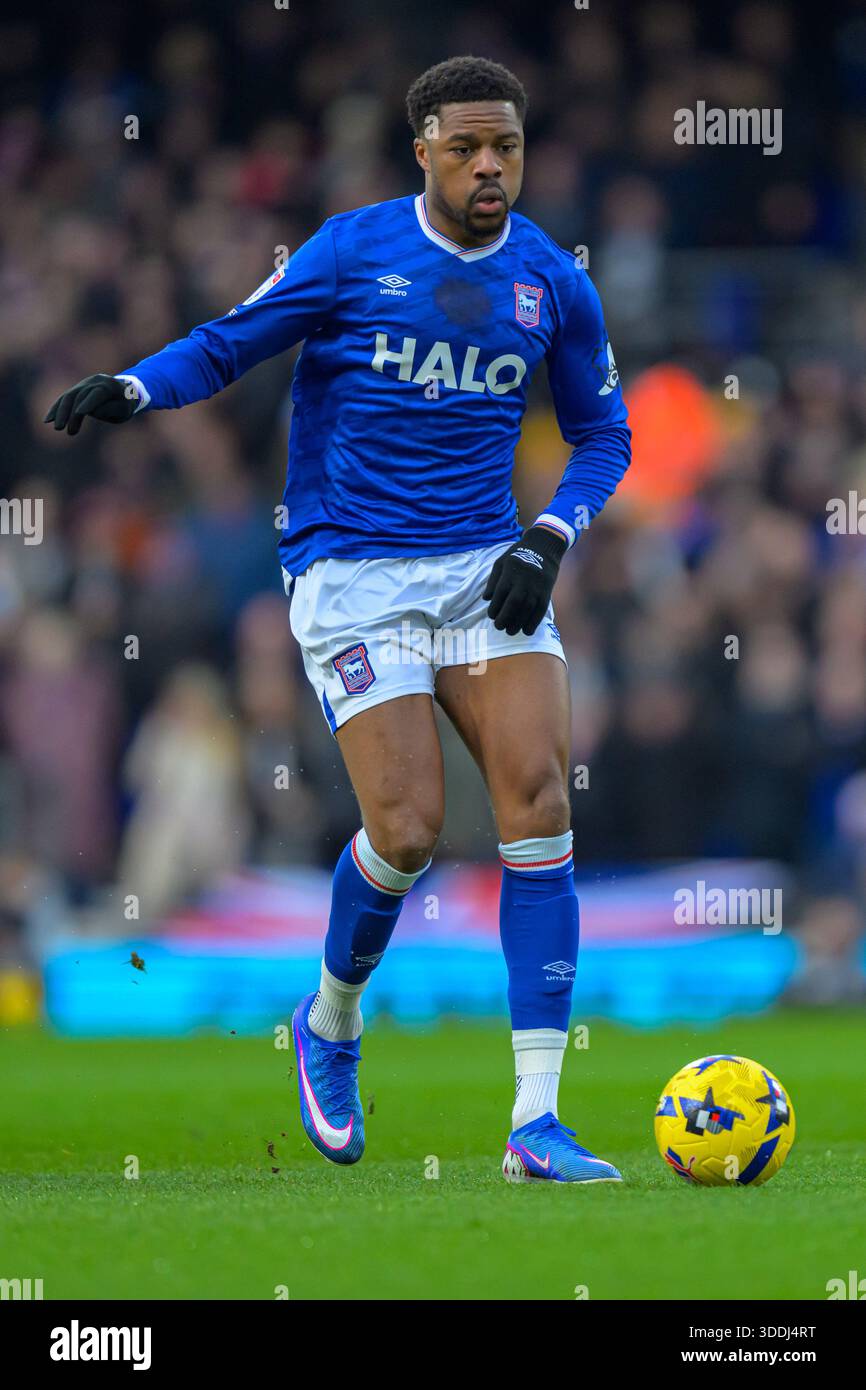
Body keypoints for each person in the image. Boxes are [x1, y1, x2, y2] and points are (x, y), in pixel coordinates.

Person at [46, 55, 631, 1183]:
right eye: (464, 147)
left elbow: (600, 433)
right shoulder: (352, 250)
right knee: (407, 830)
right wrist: (132, 386)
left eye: (504, 146)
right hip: (352, 570)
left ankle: (535, 1123)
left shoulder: (552, 281)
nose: (488, 166)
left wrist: (547, 536)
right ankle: (330, 1020)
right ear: (421, 150)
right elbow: (231, 340)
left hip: (482, 568)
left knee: (538, 799)